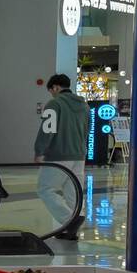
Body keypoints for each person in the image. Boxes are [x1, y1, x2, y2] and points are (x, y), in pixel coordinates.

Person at [33, 73, 87, 240]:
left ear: (55, 87)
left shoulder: (54, 104)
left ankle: (68, 220)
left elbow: (47, 129)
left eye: (51, 90)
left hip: (58, 154)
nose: (52, 94)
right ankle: (74, 223)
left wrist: (39, 151)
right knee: (73, 191)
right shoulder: (85, 106)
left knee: (45, 188)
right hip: (79, 155)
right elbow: (87, 131)